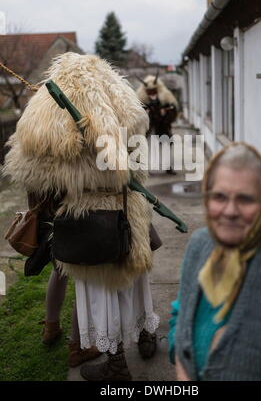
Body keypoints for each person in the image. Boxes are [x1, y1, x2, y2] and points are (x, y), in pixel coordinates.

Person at [3, 53, 159, 381]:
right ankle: (144, 336)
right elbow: (136, 162)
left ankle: (118, 363)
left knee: (104, 292)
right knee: (133, 282)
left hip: (93, 224)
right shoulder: (123, 113)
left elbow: (33, 175)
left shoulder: (55, 129)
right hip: (128, 215)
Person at [169, 142, 261, 381]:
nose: (230, 211)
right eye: (219, 196)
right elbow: (180, 317)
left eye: (245, 199)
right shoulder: (199, 245)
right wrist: (181, 368)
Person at [136, 73, 178, 174]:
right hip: (148, 128)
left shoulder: (166, 98)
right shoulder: (141, 101)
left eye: (153, 91)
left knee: (166, 146)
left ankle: (168, 167)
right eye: (149, 92)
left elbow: (173, 110)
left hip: (162, 126)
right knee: (147, 147)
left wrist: (165, 115)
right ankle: (146, 168)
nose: (151, 93)